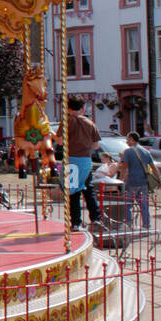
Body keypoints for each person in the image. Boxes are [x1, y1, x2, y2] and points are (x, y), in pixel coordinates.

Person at [64, 98, 101, 229]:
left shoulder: (67, 122)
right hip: (85, 160)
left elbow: (60, 141)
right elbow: (96, 146)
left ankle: (76, 222)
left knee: (73, 193)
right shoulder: (90, 124)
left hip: (72, 161)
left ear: (68, 108)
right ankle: (96, 218)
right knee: (88, 189)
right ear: (83, 108)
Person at [116, 131, 157, 230]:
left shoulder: (128, 152)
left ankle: (129, 225)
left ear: (132, 139)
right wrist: (159, 181)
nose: (126, 141)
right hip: (143, 182)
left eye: (127, 139)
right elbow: (153, 167)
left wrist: (121, 180)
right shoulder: (146, 151)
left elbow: (124, 168)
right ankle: (146, 225)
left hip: (131, 181)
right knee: (144, 205)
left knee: (128, 204)